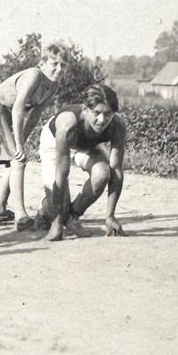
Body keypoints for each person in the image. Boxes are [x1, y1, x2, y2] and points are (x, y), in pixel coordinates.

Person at [0, 44, 67, 230]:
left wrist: (22, 140)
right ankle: (21, 217)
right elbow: (18, 107)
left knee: (16, 159)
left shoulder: (54, 86)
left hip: (6, 114)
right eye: (54, 63)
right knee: (18, 161)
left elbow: (34, 114)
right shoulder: (35, 75)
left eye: (63, 65)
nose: (59, 69)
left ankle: (0, 209)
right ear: (42, 63)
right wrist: (18, 144)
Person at [37, 84, 127, 240]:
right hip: (55, 143)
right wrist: (57, 223)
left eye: (108, 114)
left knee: (103, 173)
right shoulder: (67, 124)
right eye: (97, 113)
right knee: (58, 203)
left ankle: (72, 217)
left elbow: (116, 170)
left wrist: (110, 216)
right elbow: (62, 173)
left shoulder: (117, 126)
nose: (102, 120)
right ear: (85, 109)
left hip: (87, 145)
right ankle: (47, 211)